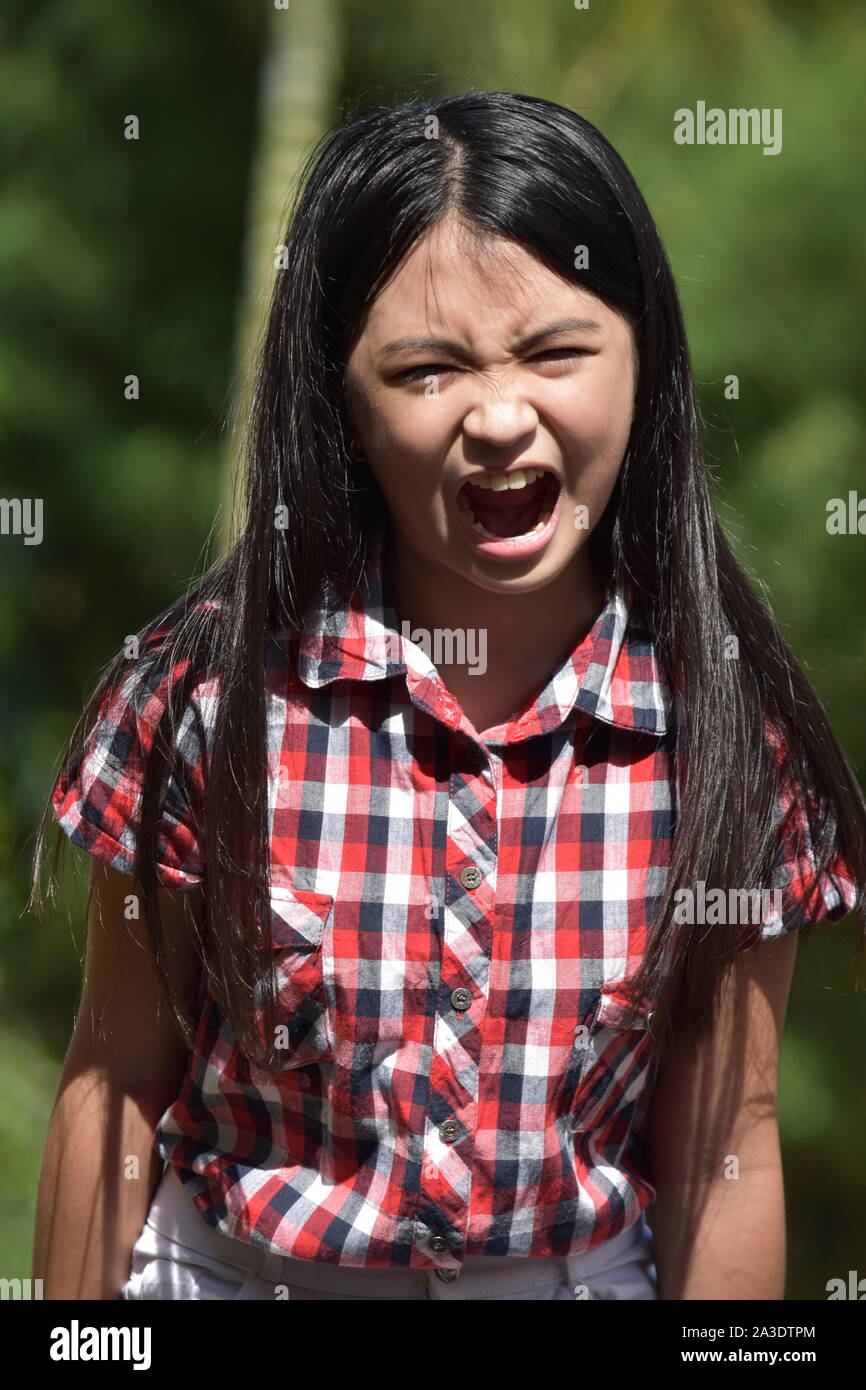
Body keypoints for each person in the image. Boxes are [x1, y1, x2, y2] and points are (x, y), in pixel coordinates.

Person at [32, 90, 865, 1302]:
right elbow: (111, 1083)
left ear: (645, 362)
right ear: (342, 405)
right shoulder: (201, 699)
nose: (499, 416)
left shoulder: (733, 739)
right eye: (426, 370)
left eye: (556, 351)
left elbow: (718, 1156)